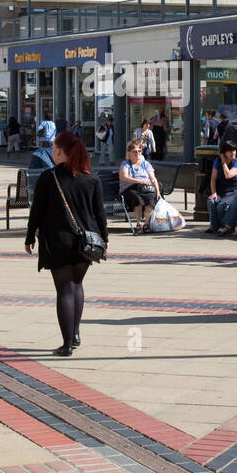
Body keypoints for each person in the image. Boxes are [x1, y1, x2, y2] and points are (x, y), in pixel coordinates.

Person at [25, 130, 108, 356]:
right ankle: (76, 333)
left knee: (64, 290)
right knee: (77, 286)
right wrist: (105, 238)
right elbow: (99, 213)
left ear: (61, 151)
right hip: (86, 243)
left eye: (54, 147)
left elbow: (37, 212)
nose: (52, 151)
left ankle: (67, 344)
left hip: (58, 241)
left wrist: (30, 236)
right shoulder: (91, 179)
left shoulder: (49, 177)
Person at [119, 140, 162, 233]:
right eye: (135, 151)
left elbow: (153, 178)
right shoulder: (125, 164)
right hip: (130, 188)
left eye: (139, 151)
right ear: (129, 153)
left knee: (150, 198)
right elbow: (123, 177)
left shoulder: (145, 164)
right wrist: (139, 181)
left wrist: (158, 191)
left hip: (145, 188)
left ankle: (146, 224)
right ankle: (138, 224)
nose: (137, 153)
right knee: (138, 199)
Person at [207, 140, 237, 235]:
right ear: (224, 152)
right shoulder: (217, 161)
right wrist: (214, 192)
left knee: (221, 206)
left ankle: (226, 226)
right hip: (222, 190)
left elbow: (228, 175)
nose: (233, 153)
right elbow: (213, 179)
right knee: (211, 201)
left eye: (234, 150)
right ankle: (214, 226)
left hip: (235, 191)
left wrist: (224, 162)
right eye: (230, 151)